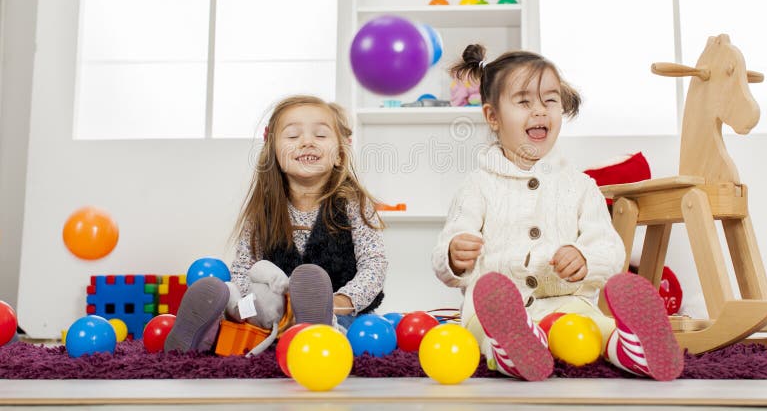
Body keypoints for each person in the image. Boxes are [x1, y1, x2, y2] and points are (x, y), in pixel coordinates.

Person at [431, 45, 683, 381]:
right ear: (492, 117)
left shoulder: (580, 186)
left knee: (594, 329)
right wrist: (454, 254)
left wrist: (584, 259)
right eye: (523, 101)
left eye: (549, 100)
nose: (539, 111)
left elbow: (609, 249)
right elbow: (448, 246)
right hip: (498, 309)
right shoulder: (476, 186)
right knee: (481, 329)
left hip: (566, 303)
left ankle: (632, 350)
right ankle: (511, 350)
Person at [166, 95, 388, 353]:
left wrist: (343, 299)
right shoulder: (264, 210)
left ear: (339, 154)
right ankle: (200, 333)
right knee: (232, 300)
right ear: (273, 153)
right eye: (293, 136)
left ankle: (315, 330)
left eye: (320, 135)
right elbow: (243, 269)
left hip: (337, 311)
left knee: (346, 332)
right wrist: (260, 303)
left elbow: (374, 263)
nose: (306, 142)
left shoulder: (353, 204)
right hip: (272, 312)